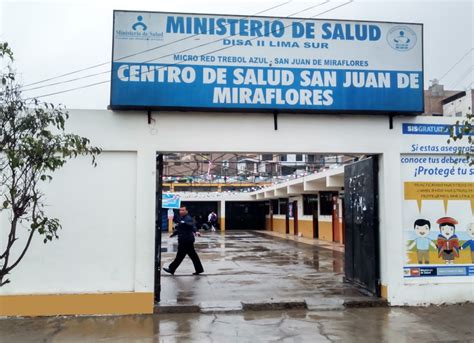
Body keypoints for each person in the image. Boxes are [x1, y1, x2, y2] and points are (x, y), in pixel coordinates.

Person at [163, 206, 204, 275]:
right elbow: (179, 228)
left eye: (182, 210)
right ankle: (199, 269)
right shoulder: (181, 218)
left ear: (186, 211)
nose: (181, 211)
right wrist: (173, 234)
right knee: (192, 256)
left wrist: (196, 231)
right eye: (180, 210)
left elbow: (192, 226)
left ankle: (171, 269)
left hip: (186, 240)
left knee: (180, 256)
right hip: (185, 240)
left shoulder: (188, 218)